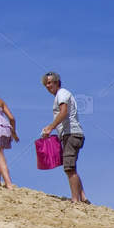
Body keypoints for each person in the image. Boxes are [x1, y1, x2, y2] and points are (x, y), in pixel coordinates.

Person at [40, 71, 89, 204]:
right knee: (72, 167)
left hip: (71, 134)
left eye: (50, 83)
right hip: (71, 134)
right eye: (46, 84)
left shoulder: (62, 93)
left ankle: (75, 200)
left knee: (69, 168)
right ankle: (83, 197)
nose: (47, 86)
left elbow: (63, 112)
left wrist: (51, 127)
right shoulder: (61, 94)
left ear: (57, 82)